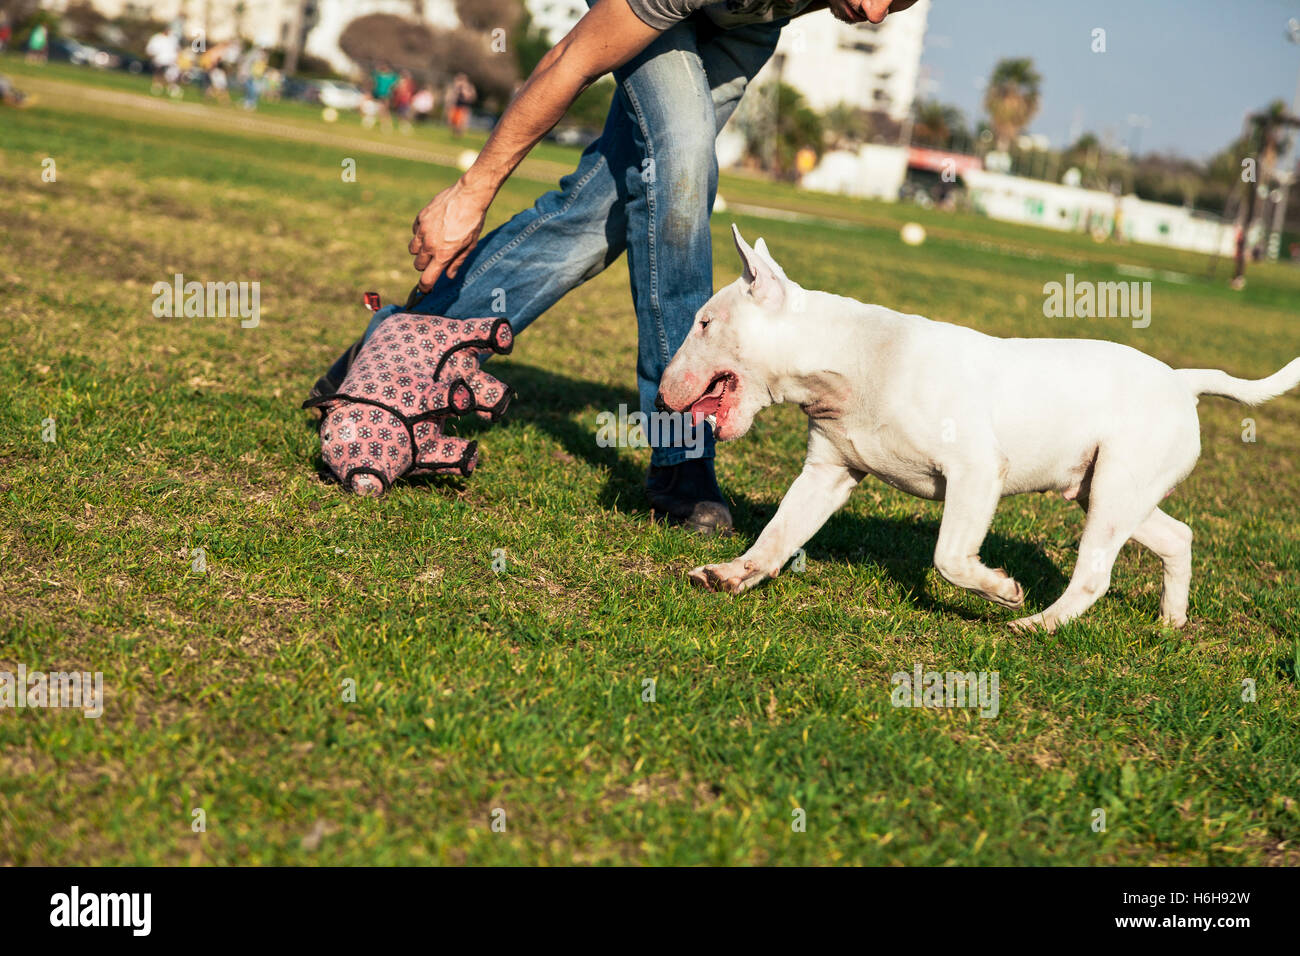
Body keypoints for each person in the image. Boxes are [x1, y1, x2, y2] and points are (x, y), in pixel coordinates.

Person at [313, 0, 917, 533]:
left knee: (593, 220)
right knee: (680, 173)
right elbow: (572, 59)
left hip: (743, 26)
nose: (876, 13)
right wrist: (473, 188)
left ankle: (400, 342)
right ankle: (682, 455)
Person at [146, 29, 180, 96]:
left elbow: (177, 49)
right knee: (159, 75)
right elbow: (151, 49)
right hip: (159, 60)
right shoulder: (157, 38)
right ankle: (157, 87)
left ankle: (171, 88)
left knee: (170, 76)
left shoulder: (173, 39)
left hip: (170, 61)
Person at [444, 72, 476, 137]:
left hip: (464, 106)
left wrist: (466, 93)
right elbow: (451, 96)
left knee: (462, 121)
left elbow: (472, 96)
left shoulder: (469, 87)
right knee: (452, 121)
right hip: (456, 105)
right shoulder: (456, 87)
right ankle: (454, 133)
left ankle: (460, 134)